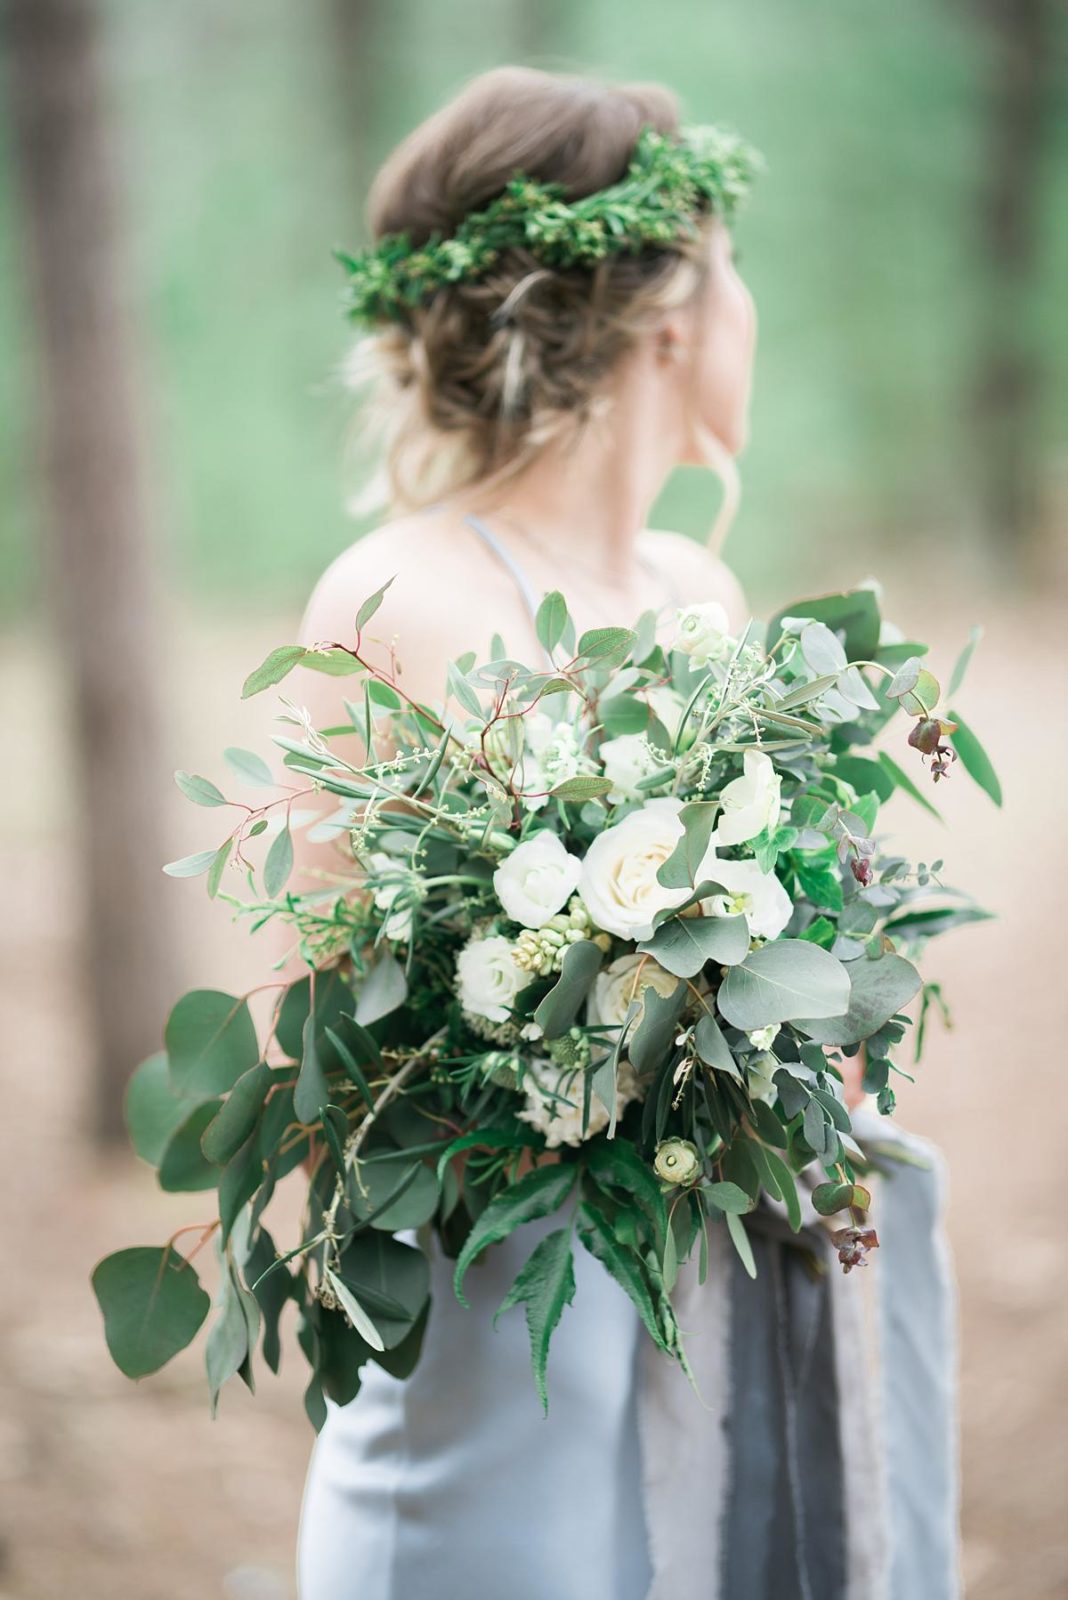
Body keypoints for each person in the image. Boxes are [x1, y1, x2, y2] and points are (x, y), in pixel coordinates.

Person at [288, 66, 959, 1600]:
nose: (750, 314)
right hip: (490, 1378)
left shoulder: (698, 596)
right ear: (671, 308)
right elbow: (323, 1068)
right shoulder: (398, 599)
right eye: (737, 274)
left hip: (704, 1343)